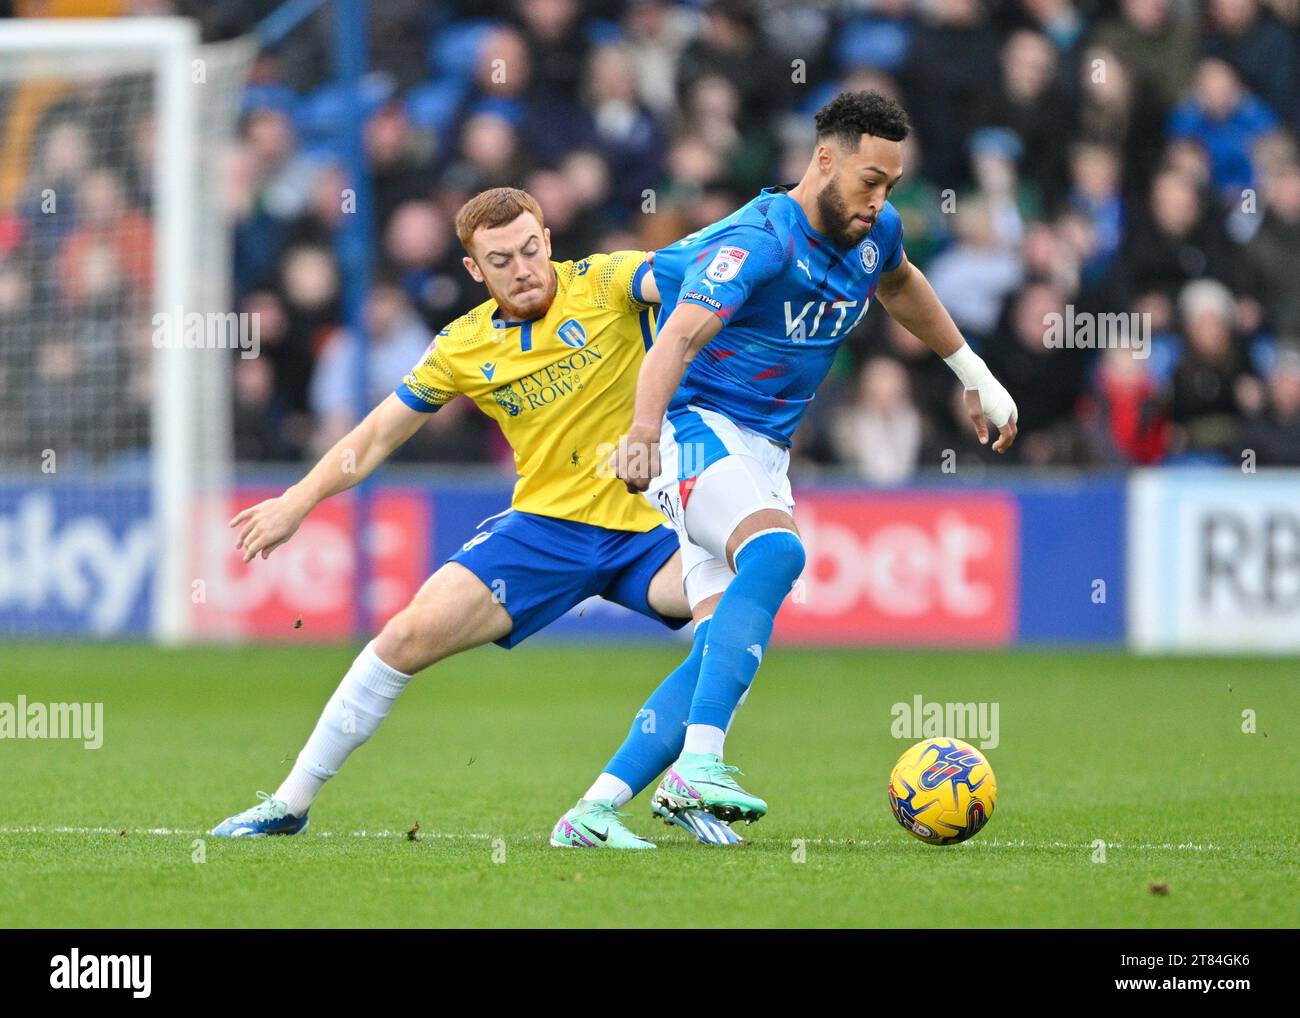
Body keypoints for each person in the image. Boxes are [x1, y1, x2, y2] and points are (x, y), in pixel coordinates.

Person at [211, 187, 743, 849]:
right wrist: (298, 501)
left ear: (547, 240)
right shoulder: (462, 346)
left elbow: (706, 271)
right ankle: (290, 802)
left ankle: (681, 780)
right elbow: (375, 438)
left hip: (651, 526)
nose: (522, 268)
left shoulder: (611, 281)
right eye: (500, 260)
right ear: (473, 270)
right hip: (546, 532)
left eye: (529, 249)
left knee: (737, 613)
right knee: (403, 638)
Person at [613, 91, 1018, 825]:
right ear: (824, 159)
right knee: (775, 556)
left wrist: (976, 376)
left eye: (891, 185)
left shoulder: (876, 233)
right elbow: (675, 337)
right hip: (692, 428)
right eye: (870, 180)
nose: (880, 200)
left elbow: (900, 284)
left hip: (763, 453)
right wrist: (642, 432)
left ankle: (594, 811)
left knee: (718, 646)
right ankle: (697, 767)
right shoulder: (760, 240)